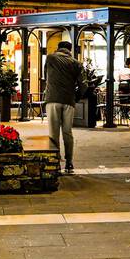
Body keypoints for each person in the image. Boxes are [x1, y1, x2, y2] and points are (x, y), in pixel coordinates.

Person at [43, 39, 82, 174]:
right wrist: (76, 97)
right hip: (68, 100)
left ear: (58, 48)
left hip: (52, 99)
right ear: (70, 50)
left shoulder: (50, 58)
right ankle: (69, 163)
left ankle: (55, 162)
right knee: (67, 132)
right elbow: (84, 84)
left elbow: (45, 76)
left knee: (53, 132)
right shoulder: (76, 63)